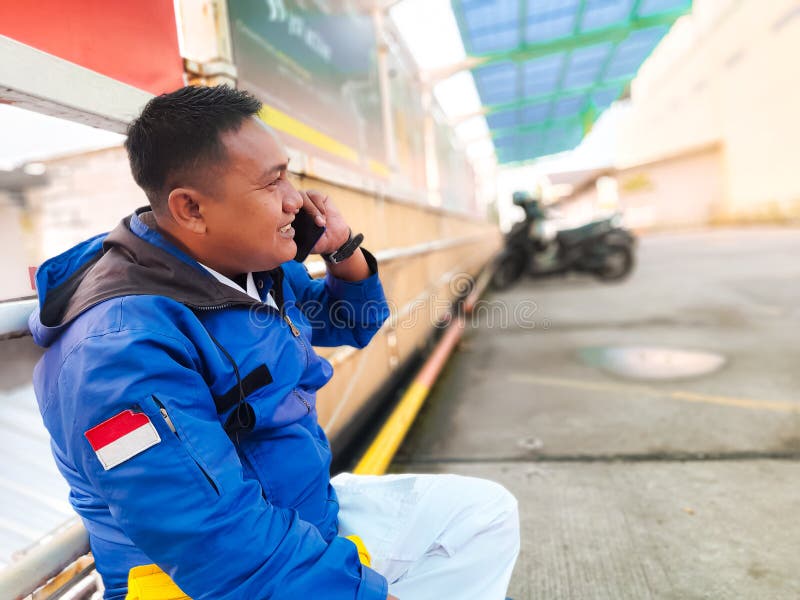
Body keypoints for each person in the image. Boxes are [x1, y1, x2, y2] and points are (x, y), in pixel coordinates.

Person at [29, 85, 519, 600]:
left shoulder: (249, 271)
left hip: (300, 511)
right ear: (191, 208)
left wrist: (342, 249)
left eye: (289, 174)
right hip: (201, 580)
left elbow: (354, 322)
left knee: (482, 515)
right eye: (272, 183)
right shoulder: (115, 354)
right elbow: (218, 544)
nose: (295, 200)